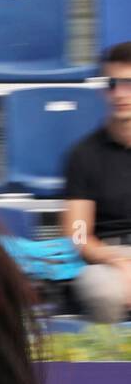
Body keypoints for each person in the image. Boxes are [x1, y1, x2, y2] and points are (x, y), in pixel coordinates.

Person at [62, 42, 131, 323]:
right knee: (102, 290)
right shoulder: (84, 155)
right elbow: (78, 235)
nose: (120, 93)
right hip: (105, 259)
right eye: (112, 84)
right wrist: (119, 261)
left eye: (128, 83)